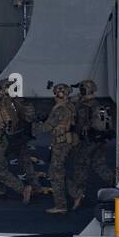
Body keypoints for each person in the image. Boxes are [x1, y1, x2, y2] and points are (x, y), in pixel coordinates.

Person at [68, 79, 115, 210]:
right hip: (99, 140)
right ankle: (116, 181)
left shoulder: (85, 106)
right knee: (99, 164)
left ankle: (78, 195)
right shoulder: (97, 103)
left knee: (80, 167)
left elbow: (80, 125)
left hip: (87, 140)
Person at [39, 83, 78, 214]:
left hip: (60, 144)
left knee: (56, 174)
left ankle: (61, 205)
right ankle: (76, 193)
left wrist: (36, 124)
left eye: (56, 93)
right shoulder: (70, 106)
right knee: (57, 171)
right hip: (68, 142)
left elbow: (46, 127)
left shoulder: (59, 109)